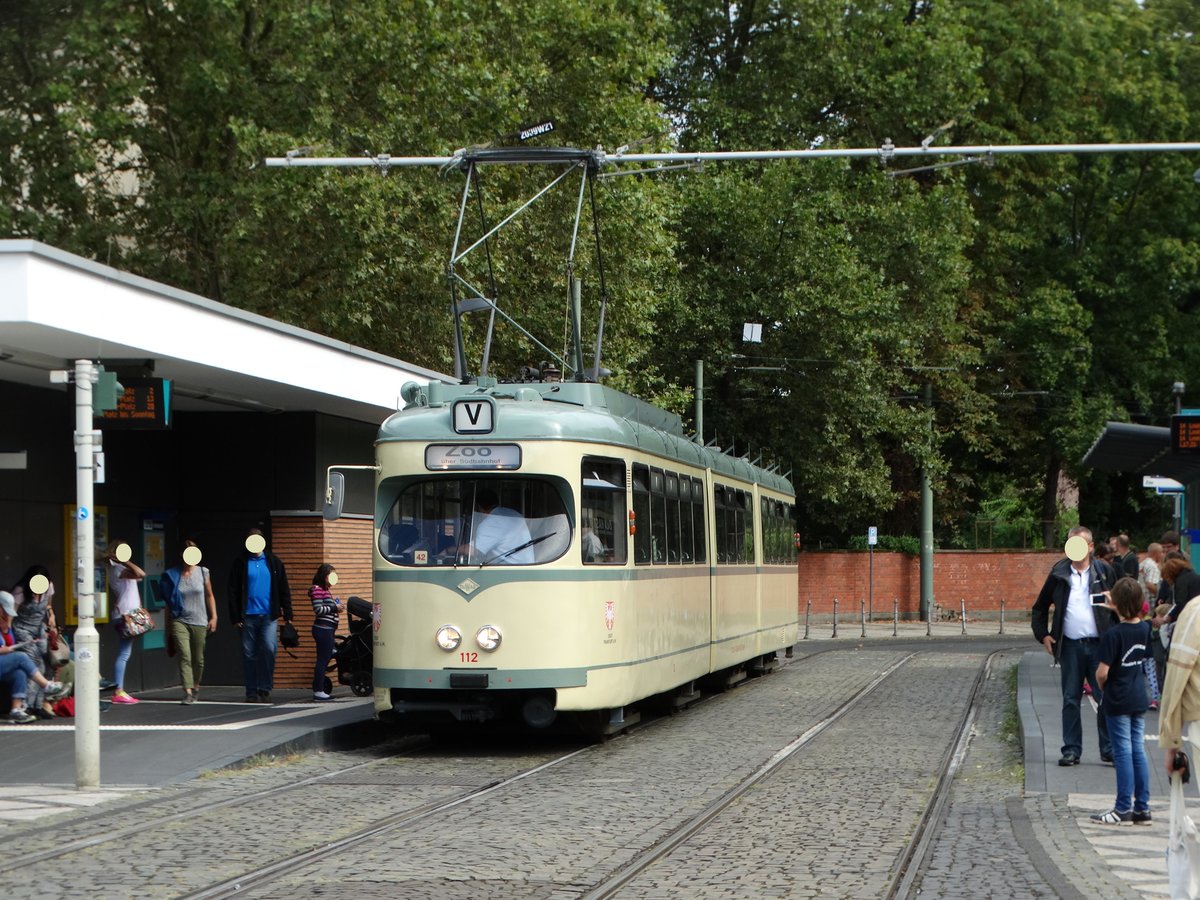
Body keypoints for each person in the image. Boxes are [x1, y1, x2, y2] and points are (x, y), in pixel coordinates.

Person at [1031, 525, 1117, 766]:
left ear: (1090, 547)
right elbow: (1039, 607)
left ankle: (1108, 748)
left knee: (1104, 698)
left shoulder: (1105, 572)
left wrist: (1119, 640)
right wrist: (1044, 635)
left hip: (1101, 646)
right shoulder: (1059, 574)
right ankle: (1071, 749)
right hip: (1070, 646)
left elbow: (1122, 605)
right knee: (1070, 699)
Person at [1089, 577, 1153, 825]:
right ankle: (1142, 807)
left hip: (1117, 697)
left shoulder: (1112, 635)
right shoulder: (1145, 629)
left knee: (1122, 752)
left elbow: (1102, 672)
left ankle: (1122, 807)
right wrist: (1119, 607)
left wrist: (1104, 689)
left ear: (1115, 602)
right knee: (1138, 749)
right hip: (1138, 695)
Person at [227, 527, 293, 703]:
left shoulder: (274, 562)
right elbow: (232, 590)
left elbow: (283, 588)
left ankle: (265, 687)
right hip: (247, 615)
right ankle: (251, 690)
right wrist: (235, 617)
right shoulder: (240, 563)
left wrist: (288, 613)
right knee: (249, 654)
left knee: (269, 649)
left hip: (269, 615)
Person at [161, 540, 217, 705]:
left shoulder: (203, 572)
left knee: (198, 659)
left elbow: (209, 595)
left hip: (200, 620)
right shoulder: (174, 575)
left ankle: (196, 685)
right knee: (184, 655)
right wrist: (168, 626)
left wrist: (214, 616)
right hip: (180, 620)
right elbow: (168, 602)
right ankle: (187, 691)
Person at [0, 591, 68, 723]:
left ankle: (16, 710)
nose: (6, 615)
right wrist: (7, 649)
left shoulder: (4, 625)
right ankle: (46, 685)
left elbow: (9, 644)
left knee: (19, 672)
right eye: (4, 611)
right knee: (20, 657)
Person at [11, 564, 58, 718]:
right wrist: (9, 638)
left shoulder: (48, 586)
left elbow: (49, 605)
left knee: (47, 661)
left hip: (39, 628)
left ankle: (39, 705)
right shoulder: (20, 591)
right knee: (36, 663)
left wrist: (51, 616)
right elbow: (11, 616)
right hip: (22, 629)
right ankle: (28, 705)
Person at [104, 541, 145, 704]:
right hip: (125, 615)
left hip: (125, 613)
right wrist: (124, 560)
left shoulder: (117, 570)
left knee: (124, 652)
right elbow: (141, 573)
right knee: (124, 653)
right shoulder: (118, 569)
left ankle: (119, 689)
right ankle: (118, 690)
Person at [469, 488, 534, 564]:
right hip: (528, 566)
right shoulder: (514, 514)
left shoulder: (490, 522)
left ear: (478, 507)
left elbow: (473, 551)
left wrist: (453, 549)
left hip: (508, 571)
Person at [309, 564, 342, 701]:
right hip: (323, 629)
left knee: (325, 658)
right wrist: (335, 607)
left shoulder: (325, 590)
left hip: (328, 628)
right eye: (331, 575)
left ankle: (320, 689)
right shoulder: (317, 590)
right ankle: (318, 690)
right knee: (323, 660)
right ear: (324, 575)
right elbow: (319, 609)